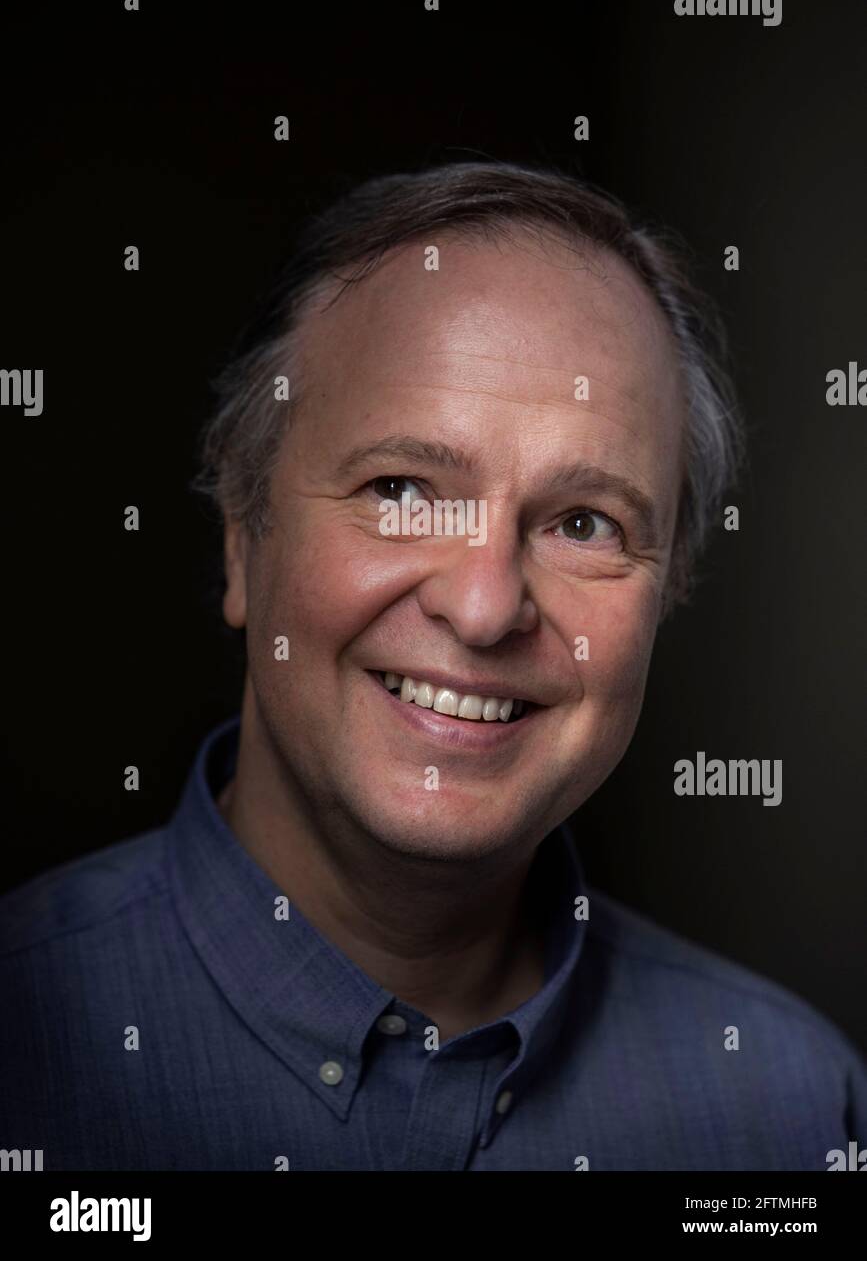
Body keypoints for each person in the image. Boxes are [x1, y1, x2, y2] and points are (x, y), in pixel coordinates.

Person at [1, 162, 864, 1171]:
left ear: (669, 587)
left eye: (585, 524)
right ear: (242, 533)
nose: (485, 606)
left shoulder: (794, 1111)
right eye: (402, 490)